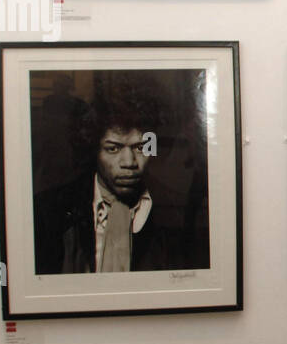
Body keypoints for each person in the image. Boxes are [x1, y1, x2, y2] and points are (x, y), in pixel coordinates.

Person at [33, 85, 192, 274]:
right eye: (113, 149)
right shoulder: (50, 210)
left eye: (140, 147)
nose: (129, 162)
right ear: (94, 149)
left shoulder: (175, 212)